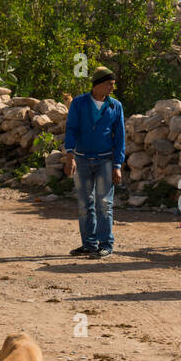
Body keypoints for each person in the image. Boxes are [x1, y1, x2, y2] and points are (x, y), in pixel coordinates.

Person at [63, 67, 125, 258]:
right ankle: (89, 244)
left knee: (104, 204)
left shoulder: (115, 106)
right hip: (81, 159)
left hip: (105, 160)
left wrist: (117, 165)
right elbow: (71, 129)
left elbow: (120, 137)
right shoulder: (79, 103)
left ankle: (105, 245)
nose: (112, 89)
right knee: (84, 204)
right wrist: (70, 157)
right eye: (109, 84)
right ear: (98, 85)